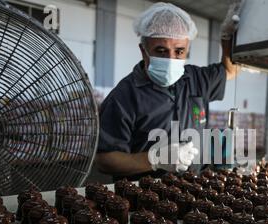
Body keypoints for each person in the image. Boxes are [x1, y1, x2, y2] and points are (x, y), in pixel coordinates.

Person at [95, 1, 244, 181]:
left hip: (192, 187)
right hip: (143, 196)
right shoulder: (124, 97)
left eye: (179, 51)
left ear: (187, 50)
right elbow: (104, 160)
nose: (171, 58)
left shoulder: (196, 79)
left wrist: (227, 38)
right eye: (161, 50)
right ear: (144, 51)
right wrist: (154, 159)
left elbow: (231, 70)